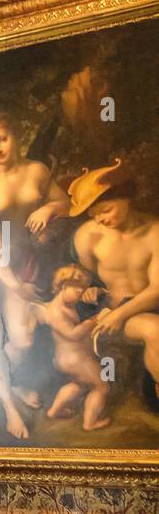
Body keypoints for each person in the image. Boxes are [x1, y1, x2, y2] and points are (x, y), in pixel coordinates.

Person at [0, 114, 71, 438]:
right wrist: (15, 284)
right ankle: (8, 406)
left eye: (2, 140)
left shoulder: (37, 171)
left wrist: (48, 209)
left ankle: (11, 381)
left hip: (17, 258)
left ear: (14, 135)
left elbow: (66, 202)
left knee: (23, 338)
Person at [70, 159, 159, 396]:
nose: (100, 219)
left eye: (106, 210)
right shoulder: (88, 236)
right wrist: (89, 290)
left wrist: (122, 314)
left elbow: (157, 289)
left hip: (146, 306)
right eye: (93, 214)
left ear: (126, 198)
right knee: (155, 331)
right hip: (107, 310)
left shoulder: (154, 232)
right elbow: (84, 277)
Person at [31, 265, 109, 430]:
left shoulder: (67, 304)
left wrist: (100, 292)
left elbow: (85, 297)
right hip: (76, 360)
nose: (80, 295)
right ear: (64, 286)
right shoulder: (55, 311)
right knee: (101, 386)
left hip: (68, 359)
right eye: (78, 291)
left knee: (79, 384)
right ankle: (90, 422)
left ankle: (54, 411)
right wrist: (92, 321)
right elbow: (72, 334)